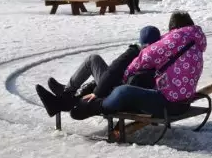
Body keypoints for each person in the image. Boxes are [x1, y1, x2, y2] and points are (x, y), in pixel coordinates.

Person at [61, 12, 207, 120]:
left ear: (173, 28)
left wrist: (126, 75)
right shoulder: (196, 45)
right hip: (183, 101)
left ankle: (86, 105)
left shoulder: (176, 39)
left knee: (123, 91)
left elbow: (145, 57)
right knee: (119, 87)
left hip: (167, 102)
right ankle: (74, 97)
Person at [34, 25, 163, 116]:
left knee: (93, 60)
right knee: (101, 79)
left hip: (119, 92)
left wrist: (97, 92)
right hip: (140, 94)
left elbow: (114, 70)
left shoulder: (136, 53)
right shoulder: (163, 54)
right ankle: (65, 96)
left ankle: (67, 93)